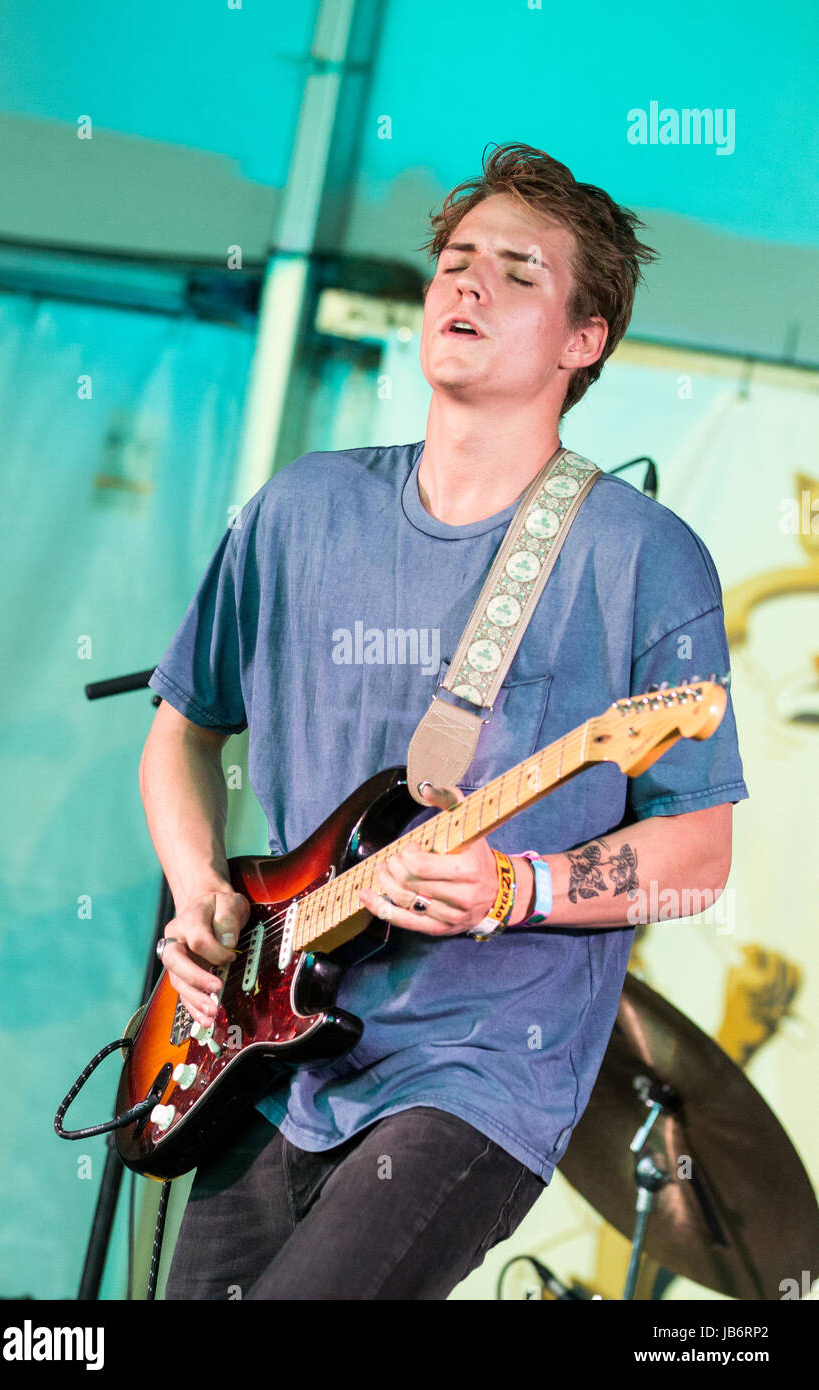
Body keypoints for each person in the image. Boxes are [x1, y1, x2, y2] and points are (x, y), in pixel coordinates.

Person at [140, 143, 748, 1300]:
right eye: (455, 261)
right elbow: (180, 724)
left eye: (515, 271)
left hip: (475, 1074)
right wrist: (198, 891)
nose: (465, 285)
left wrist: (518, 887)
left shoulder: (636, 554)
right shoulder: (302, 506)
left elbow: (697, 852)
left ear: (584, 340)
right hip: (261, 1051)